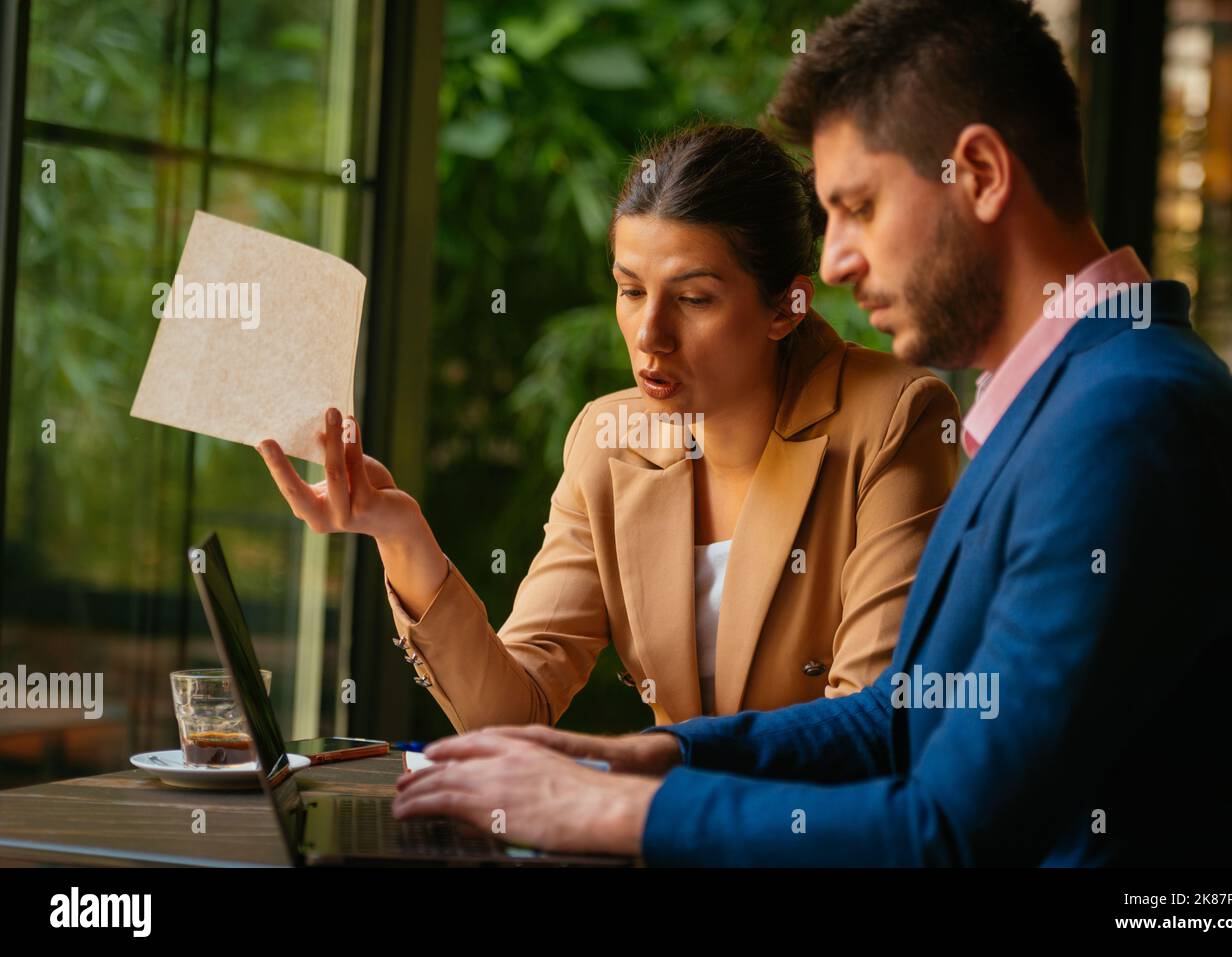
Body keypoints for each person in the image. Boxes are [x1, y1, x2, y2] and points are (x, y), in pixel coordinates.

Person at [390, 0, 1232, 867]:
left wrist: (614, 810)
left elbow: (948, 832)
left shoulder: (1125, 418)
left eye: (859, 207)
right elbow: (899, 717)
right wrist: (652, 756)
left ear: (979, 175)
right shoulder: (1063, 401)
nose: (831, 262)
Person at [258, 122, 959, 731]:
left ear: (787, 307)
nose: (649, 333)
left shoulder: (895, 419)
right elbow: (514, 708)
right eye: (630, 291)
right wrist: (402, 534)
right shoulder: (609, 439)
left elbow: (868, 723)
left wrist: (640, 773)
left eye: (693, 298)